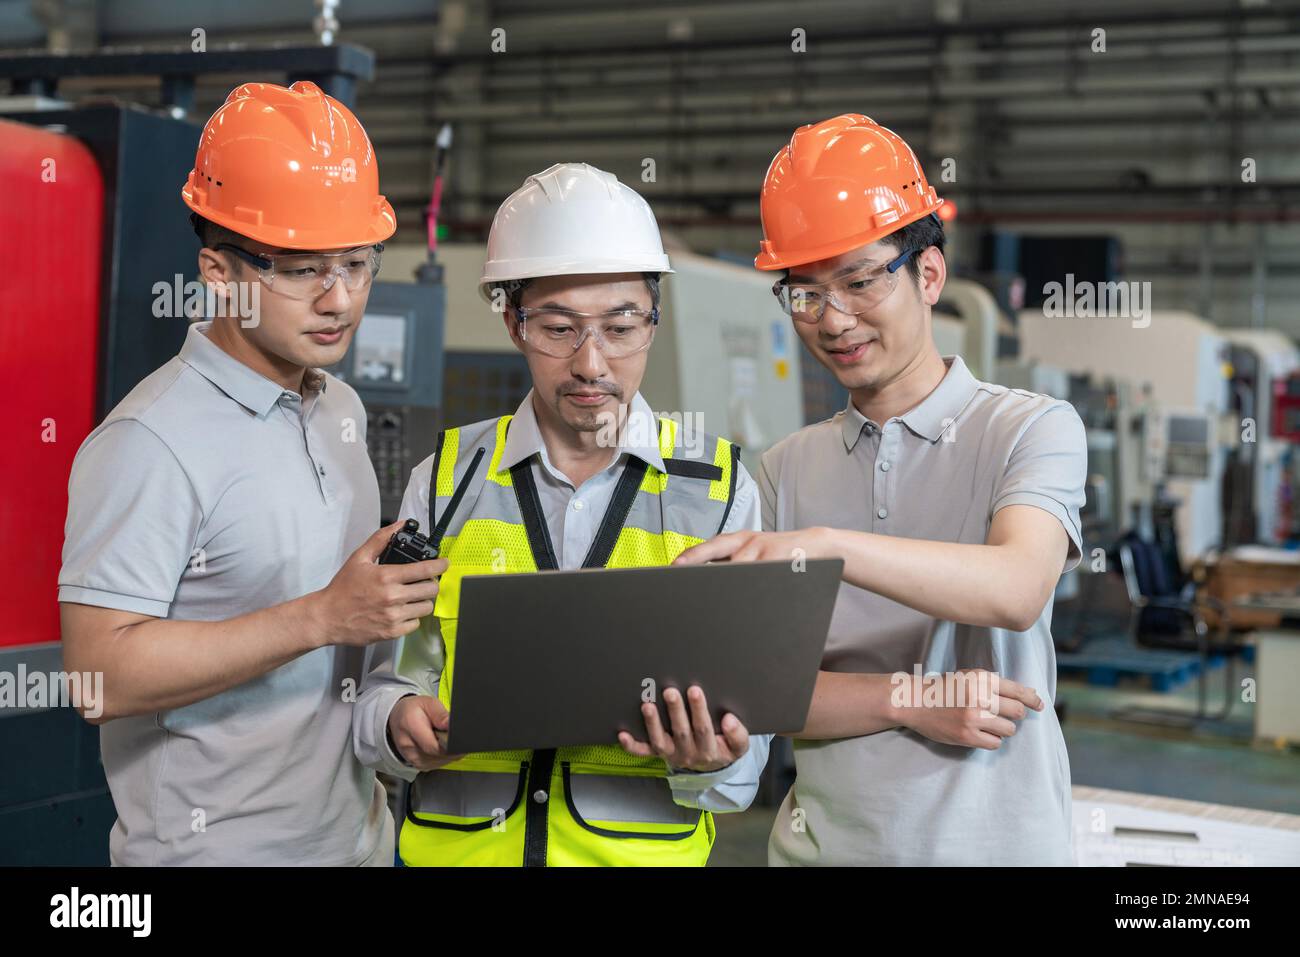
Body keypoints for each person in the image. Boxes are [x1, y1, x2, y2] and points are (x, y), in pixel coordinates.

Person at [677, 114, 1087, 866]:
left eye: (860, 281)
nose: (833, 320)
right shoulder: (784, 469)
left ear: (928, 274)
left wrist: (826, 545)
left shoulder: (1030, 429)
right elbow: (764, 693)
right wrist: (914, 698)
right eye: (804, 295)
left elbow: (1017, 586)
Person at [353, 162, 772, 866]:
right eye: (558, 328)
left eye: (620, 326)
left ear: (653, 322)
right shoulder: (445, 483)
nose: (591, 362)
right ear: (513, 322)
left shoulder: (721, 493)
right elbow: (380, 683)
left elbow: (743, 770)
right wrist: (395, 724)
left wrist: (710, 761)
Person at [57, 81, 423, 865]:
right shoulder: (149, 441)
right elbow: (95, 677)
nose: (340, 299)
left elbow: (349, 656)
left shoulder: (340, 409)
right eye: (301, 270)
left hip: (355, 848)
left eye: (358, 263)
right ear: (218, 270)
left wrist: (400, 718)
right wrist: (321, 616)